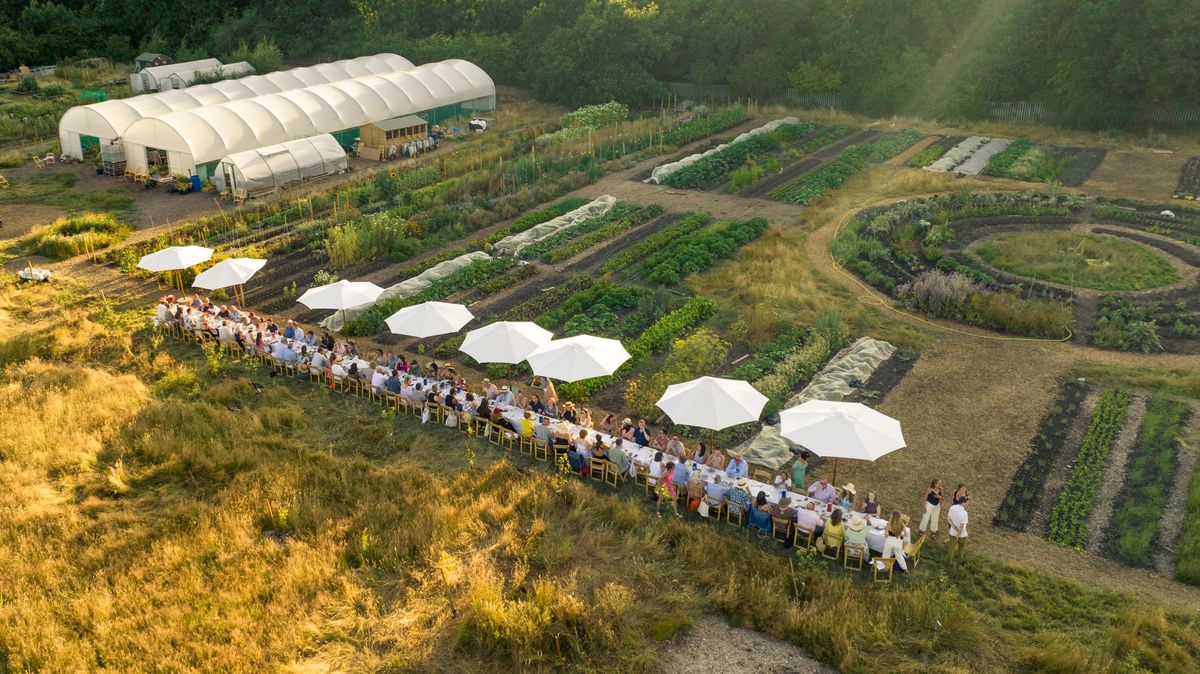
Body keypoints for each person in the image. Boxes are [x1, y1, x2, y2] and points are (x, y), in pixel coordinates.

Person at [948, 496, 969, 563]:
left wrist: (954, 527)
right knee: (961, 547)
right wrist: (957, 536)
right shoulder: (964, 513)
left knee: (951, 547)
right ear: (963, 502)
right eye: (967, 502)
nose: (968, 503)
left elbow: (948, 519)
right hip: (961, 534)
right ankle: (959, 561)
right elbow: (961, 527)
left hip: (952, 531)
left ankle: (949, 562)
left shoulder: (952, 507)